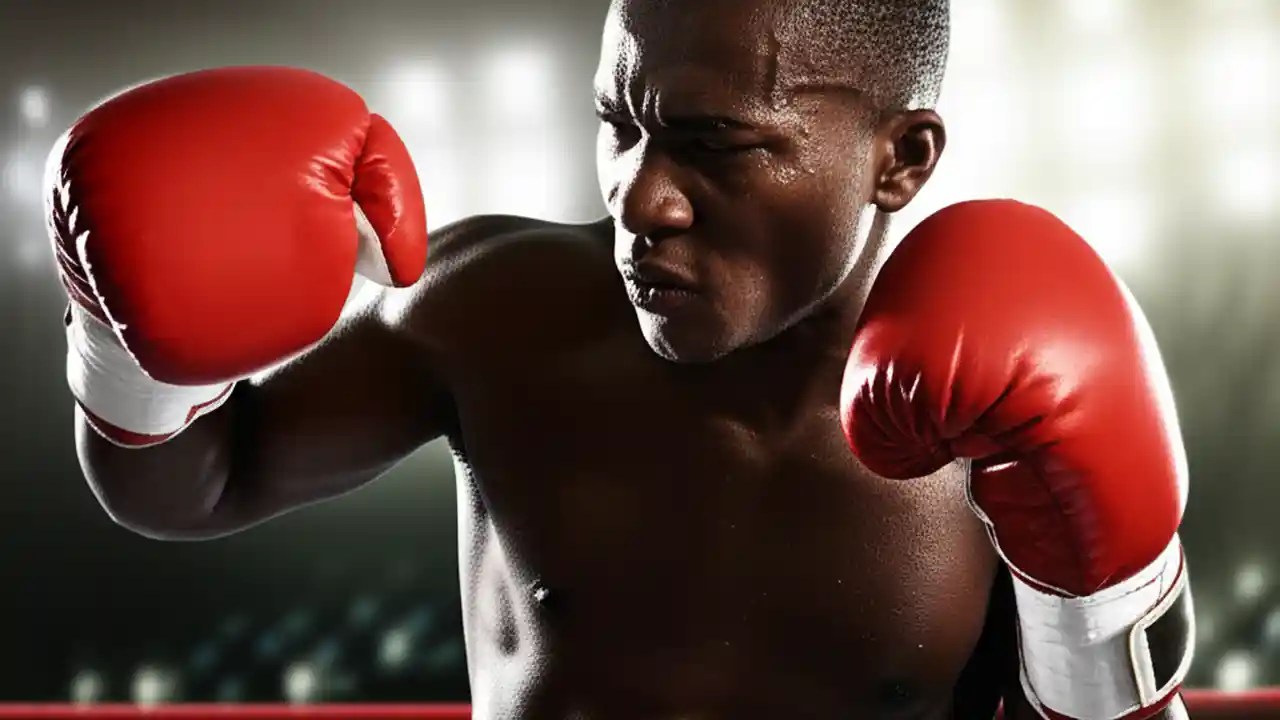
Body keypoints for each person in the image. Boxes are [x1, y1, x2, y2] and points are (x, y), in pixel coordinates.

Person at [45, 0, 1193, 717]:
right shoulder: (498, 313)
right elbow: (190, 480)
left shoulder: (998, 414)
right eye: (617, 124)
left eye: (710, 144)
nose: (640, 196)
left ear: (899, 157)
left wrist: (1104, 623)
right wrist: (121, 338)